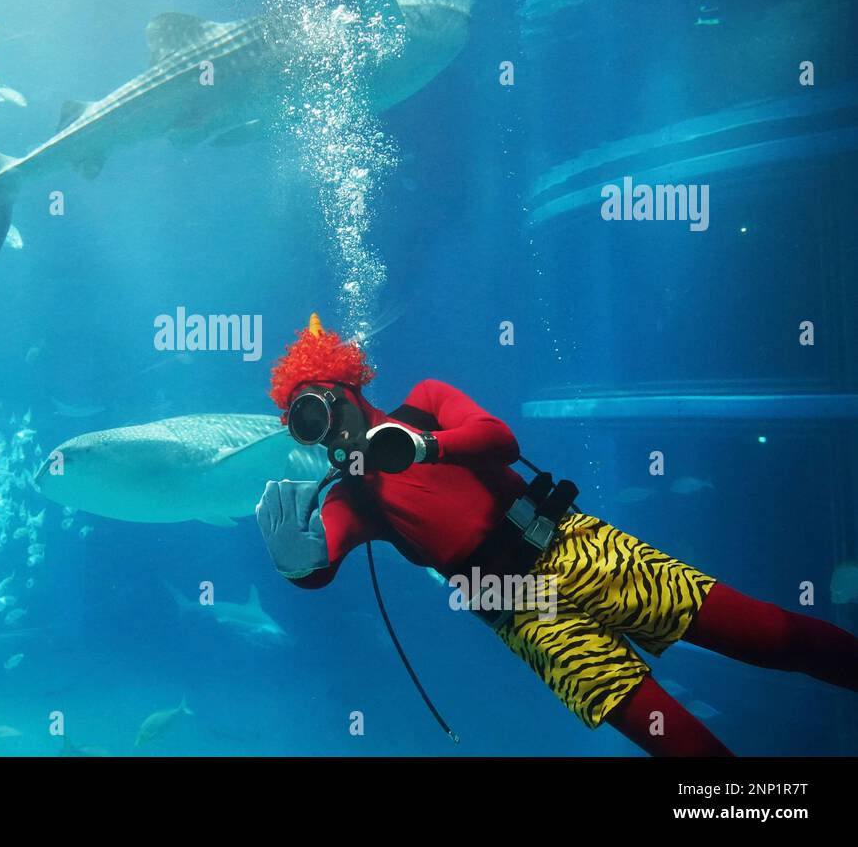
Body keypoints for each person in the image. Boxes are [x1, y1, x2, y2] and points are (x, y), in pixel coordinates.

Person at [255, 313, 858, 756]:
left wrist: (424, 446)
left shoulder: (426, 401)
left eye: (321, 409)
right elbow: (324, 556)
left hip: (577, 546)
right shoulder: (350, 497)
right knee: (670, 738)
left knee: (763, 633)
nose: (326, 431)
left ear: (348, 392)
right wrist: (300, 565)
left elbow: (499, 440)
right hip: (520, 612)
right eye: (306, 428)